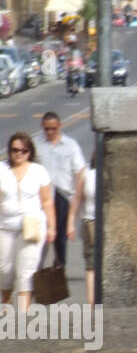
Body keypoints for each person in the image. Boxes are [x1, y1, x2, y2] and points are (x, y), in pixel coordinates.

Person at [0, 132, 56, 312]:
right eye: (15, 150)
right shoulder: (2, 169)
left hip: (32, 224)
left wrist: (52, 226)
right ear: (9, 151)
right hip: (5, 226)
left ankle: (22, 315)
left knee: (26, 270)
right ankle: (6, 303)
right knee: (5, 270)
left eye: (24, 151)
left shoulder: (38, 171)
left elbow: (47, 201)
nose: (19, 154)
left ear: (30, 152)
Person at [33, 113, 84, 270]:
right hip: (41, 196)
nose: (50, 132)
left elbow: (80, 171)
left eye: (53, 129)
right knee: (41, 236)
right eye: (47, 129)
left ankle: (60, 266)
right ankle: (36, 269)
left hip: (62, 195)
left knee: (60, 238)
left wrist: (78, 195)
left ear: (59, 126)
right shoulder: (36, 144)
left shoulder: (70, 145)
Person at [67, 152, 96, 304]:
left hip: (110, 224)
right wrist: (71, 222)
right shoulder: (87, 174)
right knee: (91, 264)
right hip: (90, 222)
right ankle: (92, 303)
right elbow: (77, 198)